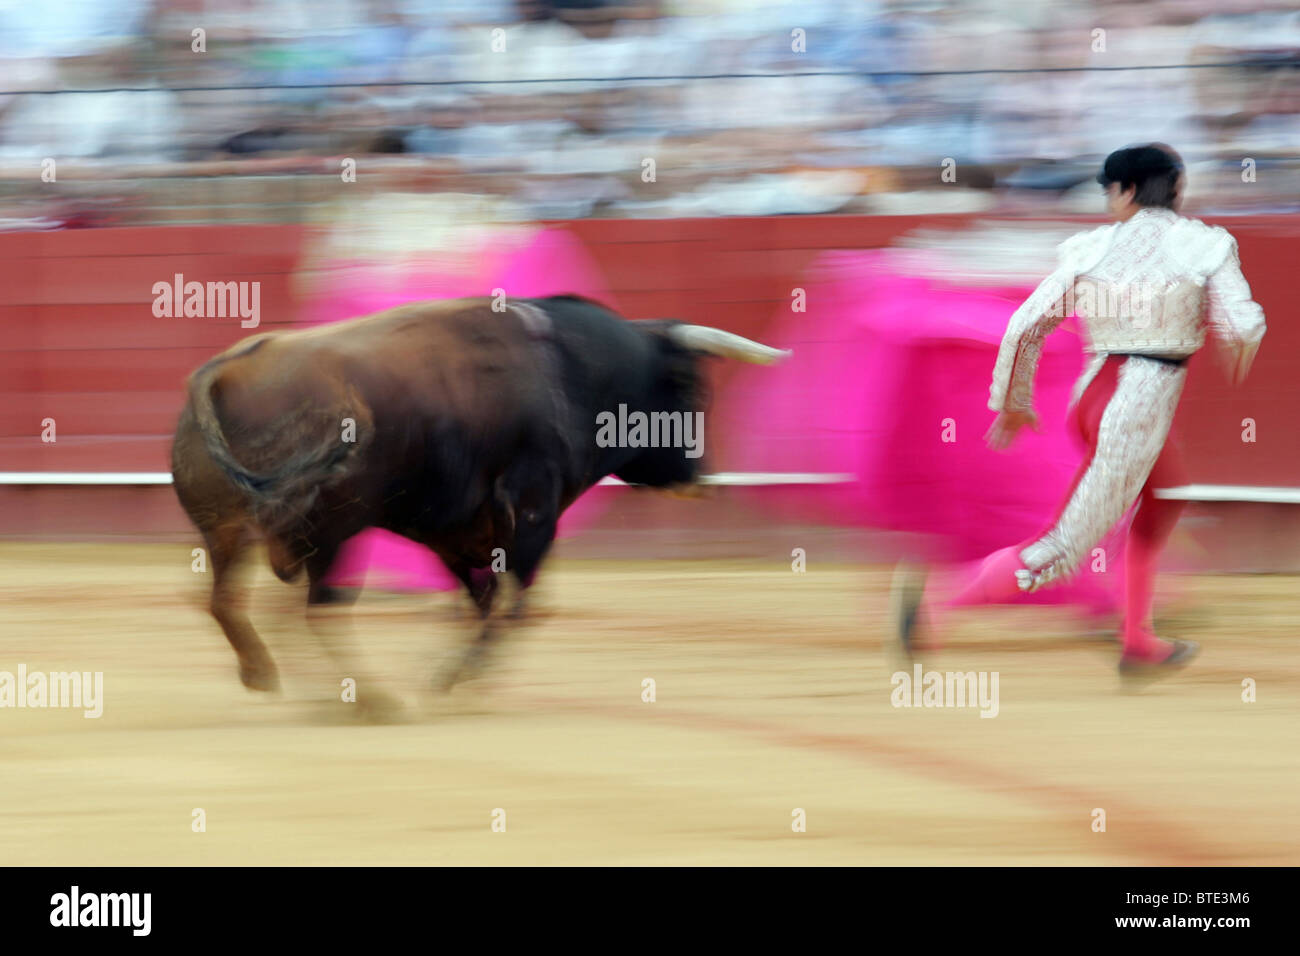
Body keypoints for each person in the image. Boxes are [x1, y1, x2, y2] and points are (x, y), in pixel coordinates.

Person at [895, 144, 1266, 676]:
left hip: (1098, 394)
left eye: (1109, 191)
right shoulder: (1206, 244)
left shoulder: (1089, 248)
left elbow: (1027, 325)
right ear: (1175, 189)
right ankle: (935, 605)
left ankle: (1137, 639)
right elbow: (1245, 323)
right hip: (1136, 406)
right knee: (1065, 546)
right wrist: (1239, 348)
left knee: (1162, 499)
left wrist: (1013, 402)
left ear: (1127, 191)